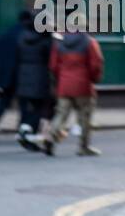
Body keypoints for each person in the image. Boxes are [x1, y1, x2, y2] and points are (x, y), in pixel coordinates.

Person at [45, 24, 104, 156]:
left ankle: (51, 138)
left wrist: (58, 79)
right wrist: (95, 79)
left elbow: (53, 65)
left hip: (64, 85)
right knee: (85, 117)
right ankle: (84, 147)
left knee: (60, 114)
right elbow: (96, 64)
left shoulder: (59, 43)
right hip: (83, 85)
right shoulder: (89, 42)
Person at [0, 9, 29, 141]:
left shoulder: (7, 33)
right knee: (24, 103)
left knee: (5, 101)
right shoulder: (25, 34)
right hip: (18, 74)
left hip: (4, 74)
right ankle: (22, 130)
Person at [14, 16, 54, 154]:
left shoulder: (23, 37)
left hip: (24, 76)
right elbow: (50, 58)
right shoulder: (45, 40)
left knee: (31, 107)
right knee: (40, 108)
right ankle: (29, 132)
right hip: (40, 77)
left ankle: (24, 128)